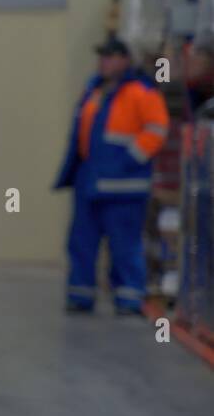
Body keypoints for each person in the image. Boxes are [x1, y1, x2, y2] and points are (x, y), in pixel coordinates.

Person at [54, 37, 169, 314]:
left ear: (125, 61)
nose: (104, 61)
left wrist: (127, 160)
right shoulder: (94, 91)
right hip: (90, 183)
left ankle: (129, 298)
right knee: (81, 242)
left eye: (111, 56)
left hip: (124, 188)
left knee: (124, 246)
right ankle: (80, 295)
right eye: (102, 55)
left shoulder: (142, 92)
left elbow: (157, 130)